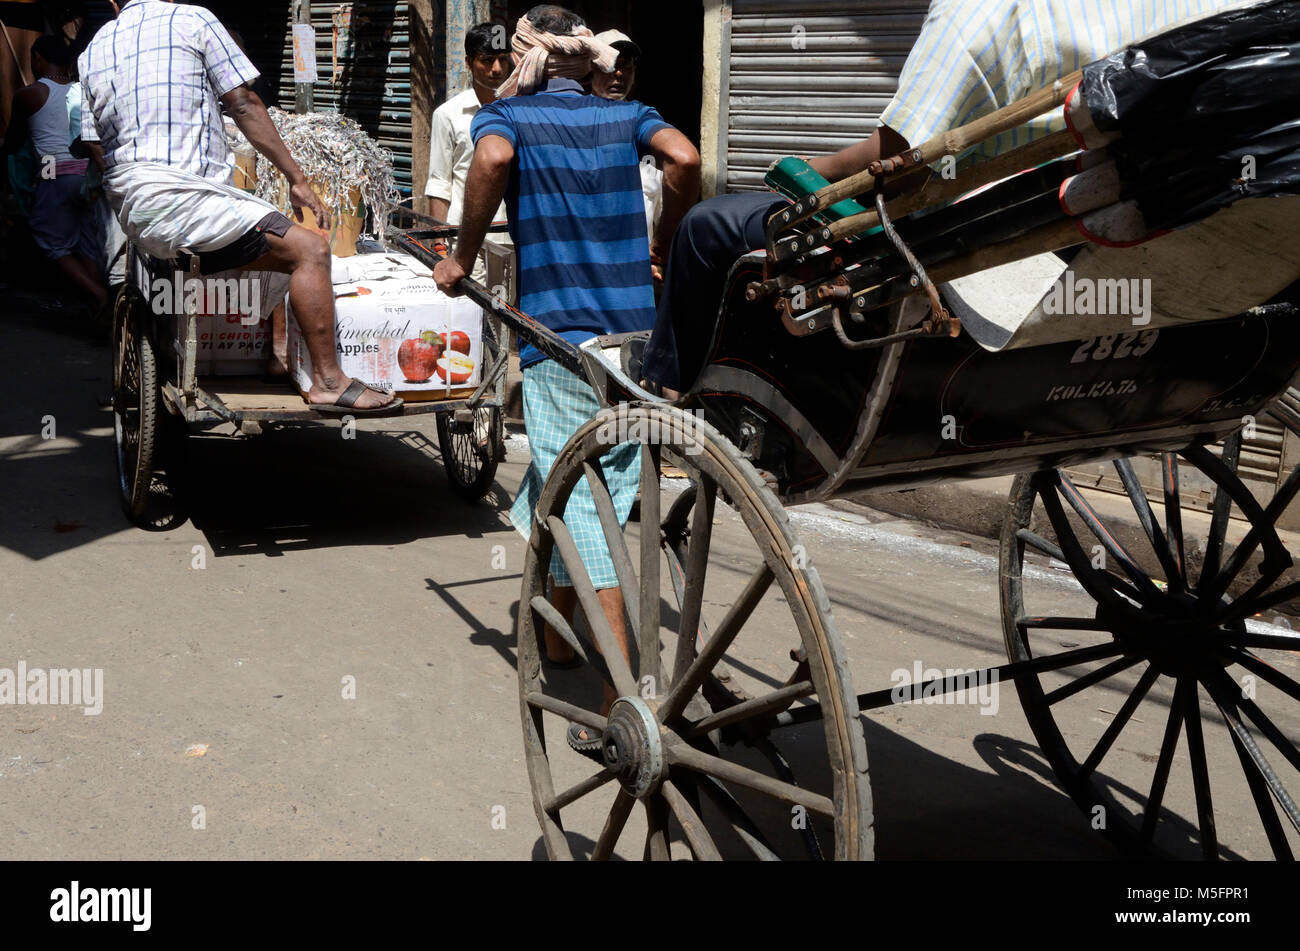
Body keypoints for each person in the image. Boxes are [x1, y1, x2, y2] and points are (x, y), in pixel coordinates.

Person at [638, 0, 1258, 396]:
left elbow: (902, 164)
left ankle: (669, 392)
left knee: (711, 223)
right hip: (1171, 243)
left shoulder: (983, 12)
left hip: (994, 244)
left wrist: (806, 175)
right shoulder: (1228, 8)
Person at [432, 4, 700, 755]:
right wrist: (665, 241)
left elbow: (486, 166)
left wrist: (460, 254)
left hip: (561, 343)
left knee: (583, 504)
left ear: (527, 59)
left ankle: (623, 692)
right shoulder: (628, 114)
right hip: (637, 343)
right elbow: (684, 159)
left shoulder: (510, 120)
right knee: (586, 481)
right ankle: (554, 640)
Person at [78, 0, 400, 413]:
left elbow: (95, 141)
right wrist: (297, 179)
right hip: (183, 203)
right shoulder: (192, 19)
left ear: (113, 2)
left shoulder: (94, 48)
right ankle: (329, 381)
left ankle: (277, 355)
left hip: (134, 209)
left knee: (268, 232)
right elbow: (243, 102)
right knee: (310, 250)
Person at [2, 34, 105, 309]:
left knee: (50, 241)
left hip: (53, 173)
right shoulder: (81, 91)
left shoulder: (30, 94)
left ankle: (99, 296)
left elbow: (12, 142)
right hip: (88, 174)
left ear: (37, 58)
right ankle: (98, 311)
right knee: (87, 244)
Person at [424, 21, 513, 280]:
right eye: (486, 60)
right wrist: (439, 241)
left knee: (510, 316)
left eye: (502, 60)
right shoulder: (448, 114)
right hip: (467, 241)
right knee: (471, 316)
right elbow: (440, 181)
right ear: (468, 62)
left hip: (512, 237)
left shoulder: (521, 111)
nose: (496, 69)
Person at [591, 28, 661, 248]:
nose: (618, 74)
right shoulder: (571, 127)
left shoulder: (650, 130)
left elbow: (660, 211)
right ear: (589, 69)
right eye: (610, 65)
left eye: (625, 65)